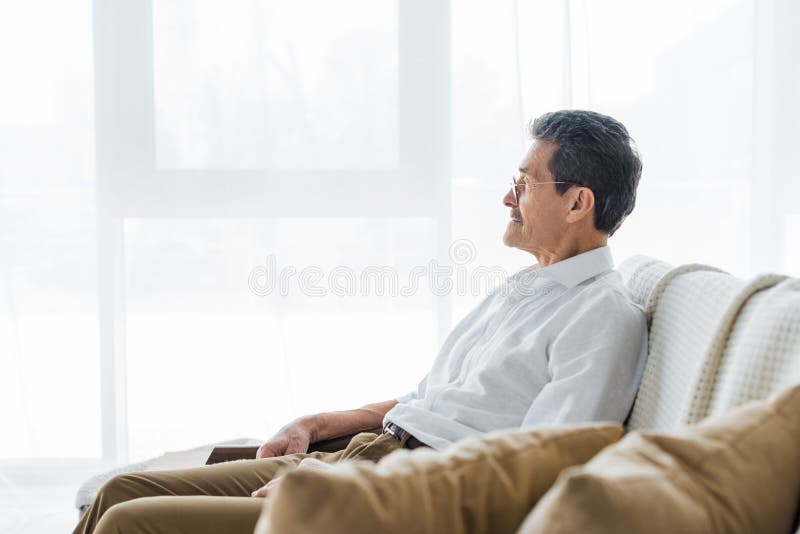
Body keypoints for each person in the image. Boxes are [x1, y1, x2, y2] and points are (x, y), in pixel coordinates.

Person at [74, 109, 648, 534]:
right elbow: (432, 401)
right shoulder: (527, 290)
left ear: (578, 204)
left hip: (397, 495)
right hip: (363, 455)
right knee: (120, 491)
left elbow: (532, 471)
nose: (507, 197)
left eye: (524, 183)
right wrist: (320, 422)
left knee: (130, 524)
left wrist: (355, 493)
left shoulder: (602, 319)